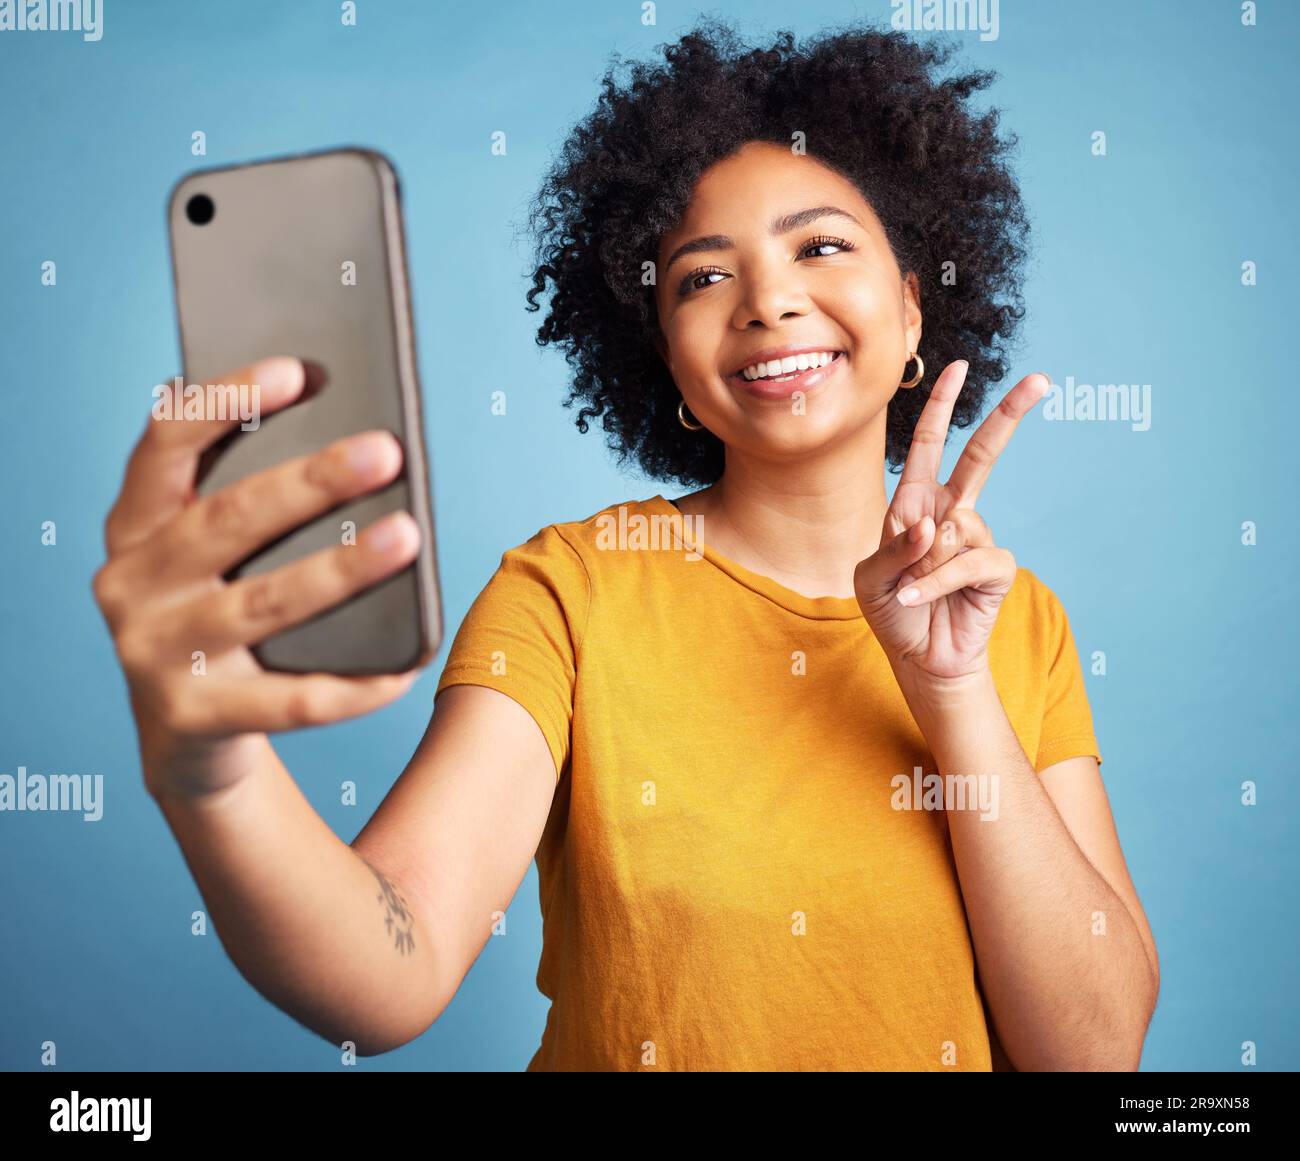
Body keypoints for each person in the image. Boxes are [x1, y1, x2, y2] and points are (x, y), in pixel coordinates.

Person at [93, 20, 1158, 1071]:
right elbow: (385, 979)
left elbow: (1095, 1056)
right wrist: (211, 771)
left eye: (821, 246)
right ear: (664, 356)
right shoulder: (568, 592)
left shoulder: (1014, 623)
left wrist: (953, 691)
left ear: (915, 308)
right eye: (701, 277)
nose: (769, 301)